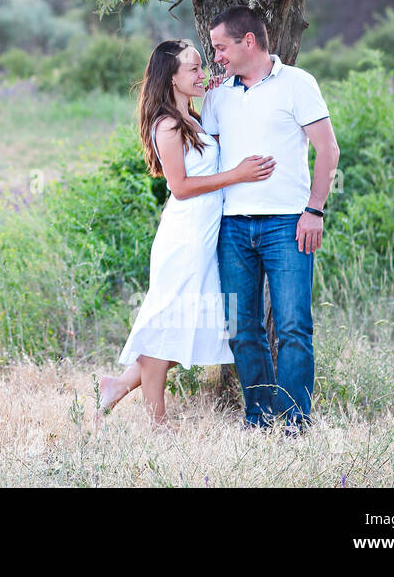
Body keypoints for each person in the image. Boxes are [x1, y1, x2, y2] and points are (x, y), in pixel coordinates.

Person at [95, 38, 276, 428]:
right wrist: (238, 174)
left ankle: (118, 385)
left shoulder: (191, 118)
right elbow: (180, 186)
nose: (202, 74)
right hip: (185, 237)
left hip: (204, 235)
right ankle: (157, 423)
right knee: (169, 326)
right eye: (193, 69)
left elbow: (210, 100)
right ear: (171, 77)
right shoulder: (167, 124)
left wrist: (214, 84)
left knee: (195, 324)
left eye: (201, 67)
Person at [202, 6, 341, 434]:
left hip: (288, 223)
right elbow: (212, 156)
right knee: (242, 327)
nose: (218, 56)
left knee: (293, 325)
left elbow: (328, 150)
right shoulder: (218, 95)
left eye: (222, 47)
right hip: (233, 227)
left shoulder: (298, 84)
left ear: (248, 42)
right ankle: (258, 418)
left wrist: (314, 209)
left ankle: (295, 422)